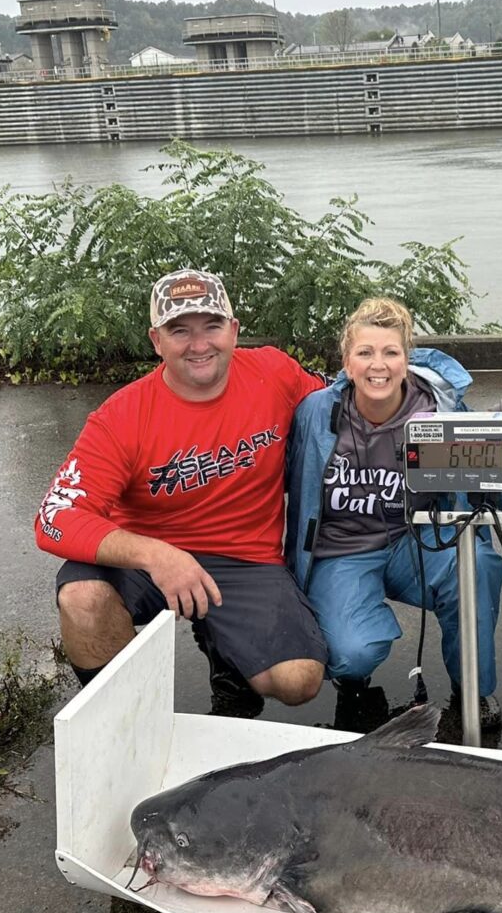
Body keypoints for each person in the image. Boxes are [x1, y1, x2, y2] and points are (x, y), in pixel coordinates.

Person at [286, 297, 502, 733]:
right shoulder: (315, 414)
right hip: (342, 552)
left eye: (391, 352)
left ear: (407, 361)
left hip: (418, 540)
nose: (379, 365)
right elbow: (266, 473)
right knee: (351, 654)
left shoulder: (436, 415)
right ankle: (354, 669)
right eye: (365, 352)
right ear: (346, 363)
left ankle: (474, 686)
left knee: (479, 566)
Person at [35, 268, 329, 717]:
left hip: (246, 558)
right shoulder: (122, 416)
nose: (199, 345)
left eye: (212, 326)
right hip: (148, 561)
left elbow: (344, 408)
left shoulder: (274, 373)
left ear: (233, 331)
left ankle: (226, 652)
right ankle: (127, 717)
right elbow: (54, 518)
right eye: (179, 331)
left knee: (299, 680)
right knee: (83, 600)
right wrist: (157, 555)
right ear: (157, 341)